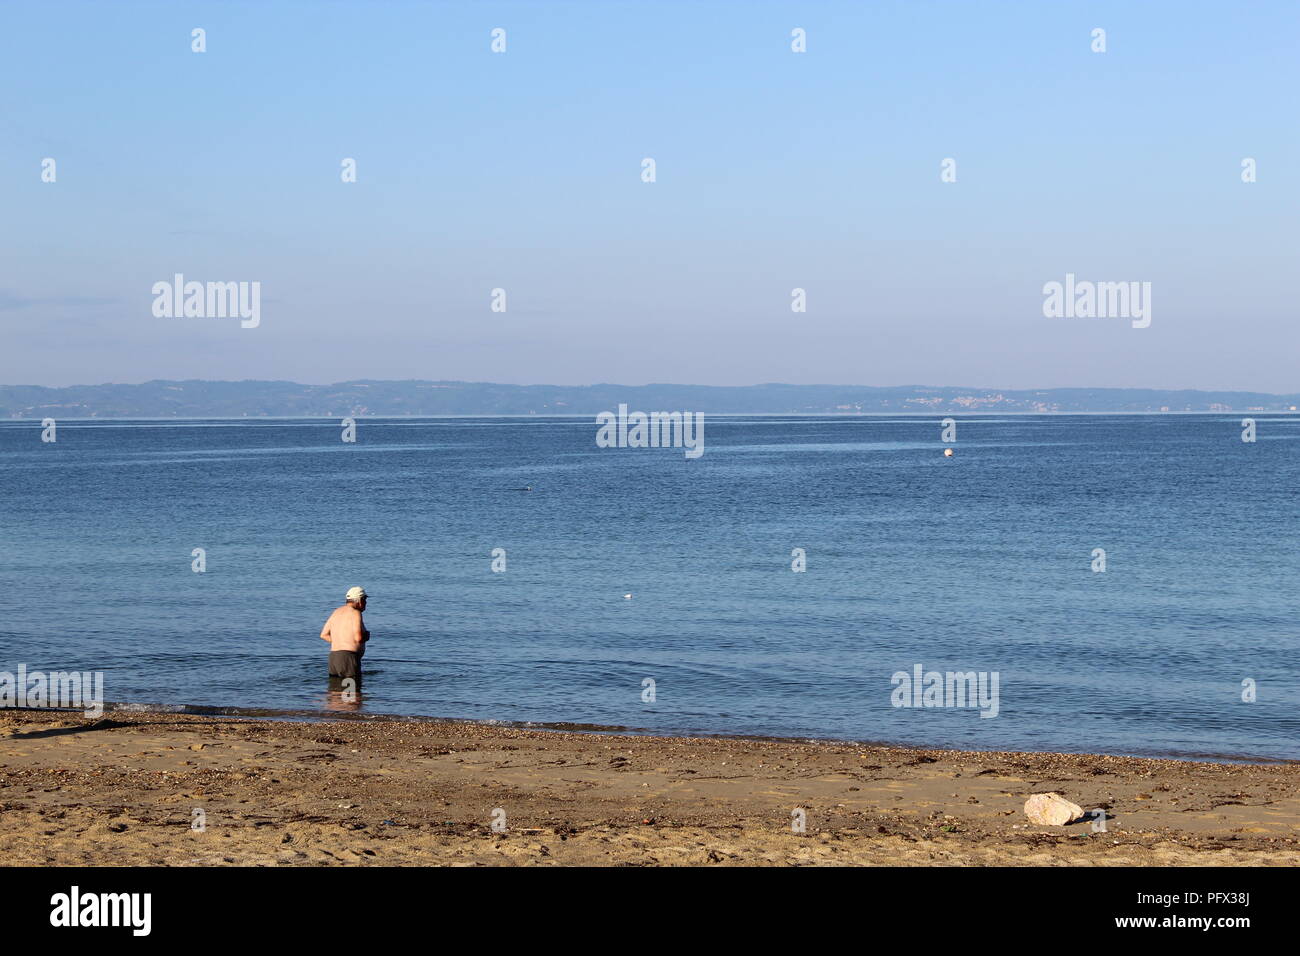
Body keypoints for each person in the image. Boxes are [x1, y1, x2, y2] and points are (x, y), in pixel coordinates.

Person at [320, 586, 370, 680]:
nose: (366, 603)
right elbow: (358, 638)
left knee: (335, 692)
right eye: (365, 600)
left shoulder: (336, 612)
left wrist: (341, 641)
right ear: (359, 600)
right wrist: (366, 636)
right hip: (348, 659)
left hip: (333, 658)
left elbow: (323, 634)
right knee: (351, 693)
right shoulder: (355, 613)